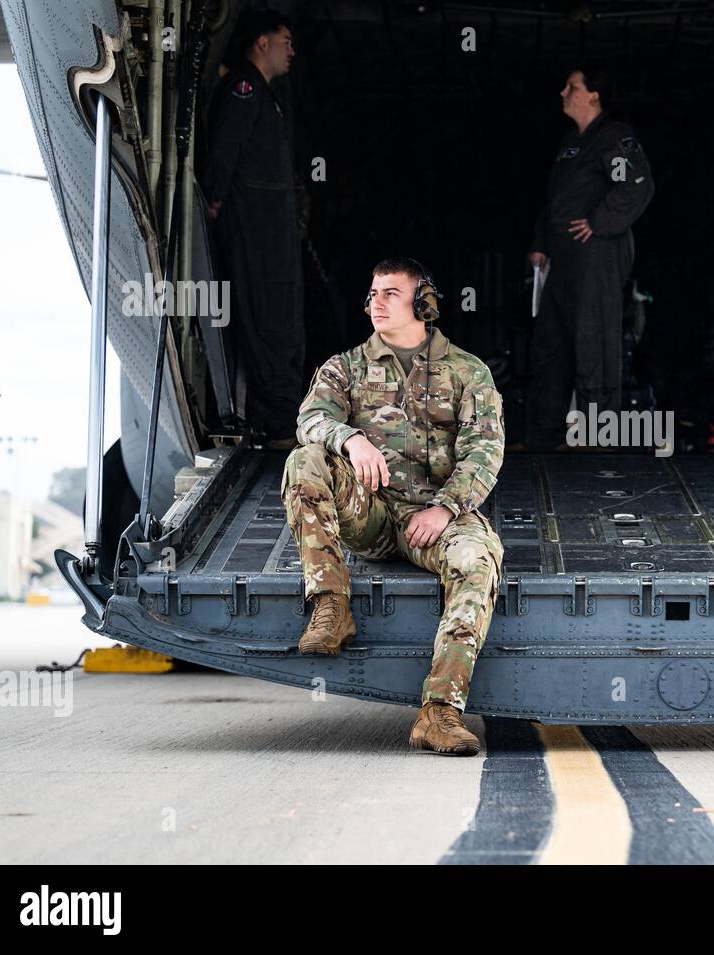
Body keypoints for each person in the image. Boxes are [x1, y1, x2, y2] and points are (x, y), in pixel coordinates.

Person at [281, 257, 505, 756]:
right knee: (305, 460)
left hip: (437, 517)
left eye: (389, 293)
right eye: (371, 293)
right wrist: (350, 439)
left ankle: (440, 713)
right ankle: (331, 605)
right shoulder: (346, 366)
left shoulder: (468, 372)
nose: (374, 303)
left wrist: (446, 509)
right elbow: (311, 418)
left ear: (423, 303)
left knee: (479, 562)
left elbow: (485, 452)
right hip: (373, 513)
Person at [522, 67, 655, 450]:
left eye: (572, 87)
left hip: (596, 259)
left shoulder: (613, 137)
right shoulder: (570, 144)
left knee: (594, 342)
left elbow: (636, 185)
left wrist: (598, 222)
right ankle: (543, 438)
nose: (564, 91)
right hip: (562, 263)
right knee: (551, 343)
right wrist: (541, 242)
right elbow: (555, 203)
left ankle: (598, 439)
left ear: (594, 95)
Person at [202, 11, 303, 450]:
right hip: (256, 228)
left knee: (281, 314)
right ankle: (279, 421)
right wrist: (216, 198)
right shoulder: (245, 89)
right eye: (285, 41)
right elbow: (226, 149)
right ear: (262, 42)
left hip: (272, 228)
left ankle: (282, 415)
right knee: (268, 315)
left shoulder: (264, 94)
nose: (291, 51)